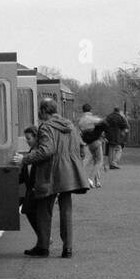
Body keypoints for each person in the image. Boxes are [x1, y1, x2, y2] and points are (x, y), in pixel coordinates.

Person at [18, 99, 88, 258]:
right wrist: (73, 162)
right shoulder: (70, 126)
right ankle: (67, 248)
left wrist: (25, 159)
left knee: (44, 210)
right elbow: (82, 148)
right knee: (66, 210)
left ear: (43, 111)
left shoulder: (46, 127)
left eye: (40, 112)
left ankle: (43, 247)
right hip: (69, 174)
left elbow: (46, 150)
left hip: (51, 173)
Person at [76, 103, 106, 188]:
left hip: (86, 143)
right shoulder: (92, 118)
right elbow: (102, 122)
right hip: (96, 141)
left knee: (92, 160)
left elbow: (79, 132)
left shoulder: (80, 120)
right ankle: (91, 179)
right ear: (90, 109)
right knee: (99, 161)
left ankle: (97, 181)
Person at [18, 126, 41, 238]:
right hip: (31, 189)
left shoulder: (39, 153)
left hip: (37, 189)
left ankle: (43, 238)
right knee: (31, 212)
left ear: (36, 138)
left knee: (32, 212)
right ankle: (43, 238)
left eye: (29, 138)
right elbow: (25, 175)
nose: (27, 141)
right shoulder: (31, 151)